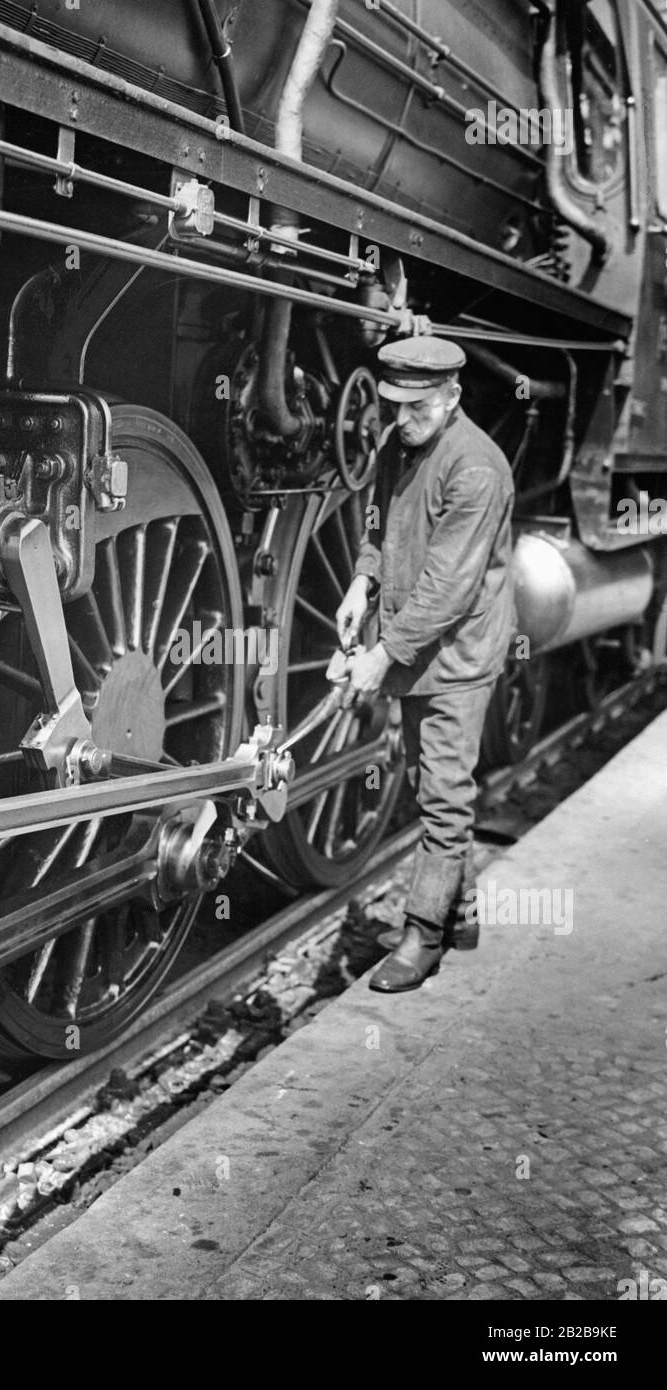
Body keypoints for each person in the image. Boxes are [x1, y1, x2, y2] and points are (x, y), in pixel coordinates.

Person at [336, 336, 514, 993]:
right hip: (417, 646)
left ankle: (422, 937)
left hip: (456, 655)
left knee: (441, 794)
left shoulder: (477, 470)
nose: (401, 421)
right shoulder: (396, 444)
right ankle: (459, 914)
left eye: (417, 409)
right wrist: (361, 581)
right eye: (393, 407)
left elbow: (449, 587)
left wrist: (382, 654)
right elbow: (379, 524)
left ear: (452, 398)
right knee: (433, 781)